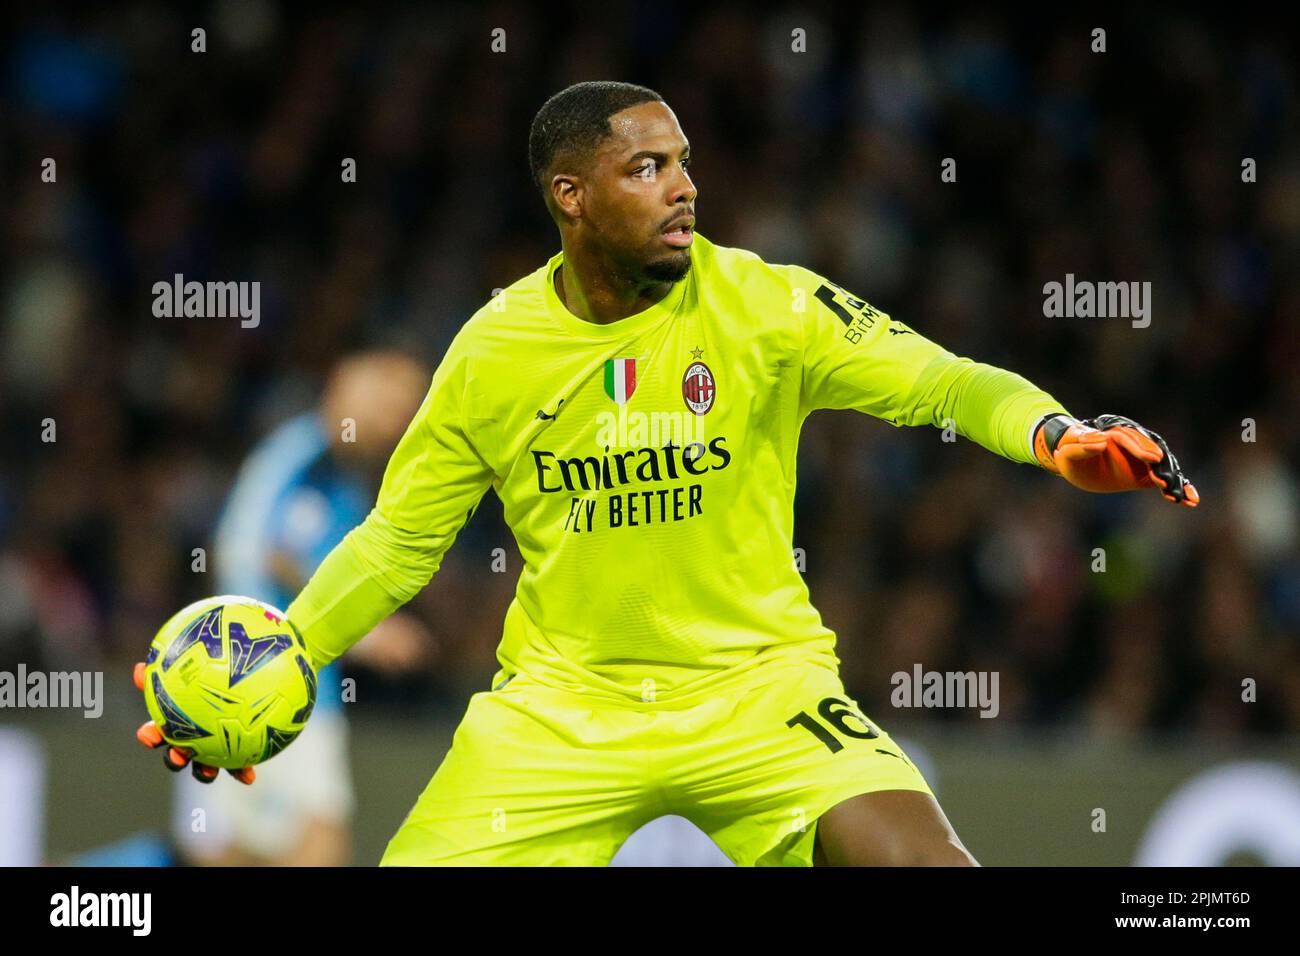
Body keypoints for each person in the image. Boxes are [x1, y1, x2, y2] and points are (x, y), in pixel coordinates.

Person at [138, 81, 1197, 866]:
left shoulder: (766, 305)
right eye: (646, 167)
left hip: (758, 690)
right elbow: (398, 539)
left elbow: (944, 383)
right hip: (561, 712)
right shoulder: (494, 352)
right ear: (570, 193)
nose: (684, 186)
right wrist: (282, 659)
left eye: (684, 160)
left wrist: (1057, 433)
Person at [148, 351, 430, 866]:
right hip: (270, 686)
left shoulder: (335, 468)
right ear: (343, 391)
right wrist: (368, 634)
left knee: (246, 850)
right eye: (388, 405)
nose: (398, 422)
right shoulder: (310, 460)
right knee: (319, 841)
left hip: (252, 684)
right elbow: (259, 551)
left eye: (407, 409)